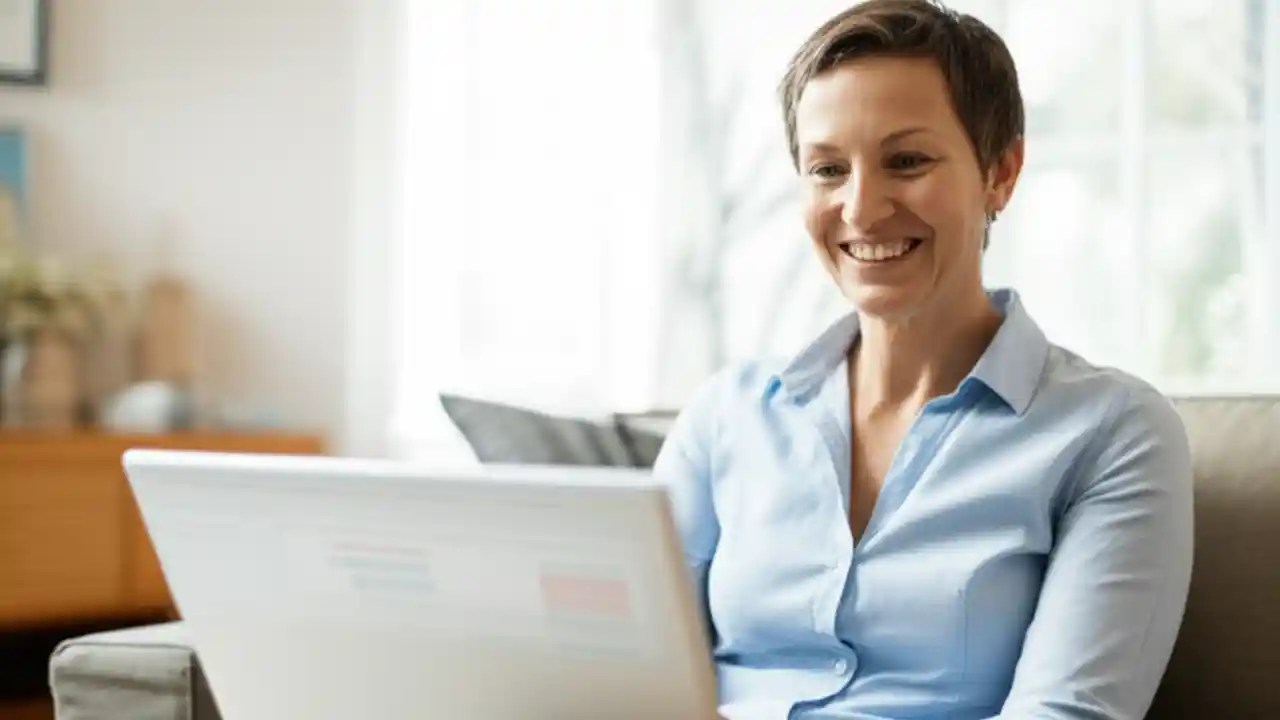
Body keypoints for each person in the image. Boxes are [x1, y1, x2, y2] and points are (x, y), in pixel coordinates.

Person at [654, 1, 1194, 718]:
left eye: (905, 161)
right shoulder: (727, 418)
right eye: (826, 169)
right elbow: (622, 667)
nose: (860, 208)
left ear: (1000, 173)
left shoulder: (1111, 432)